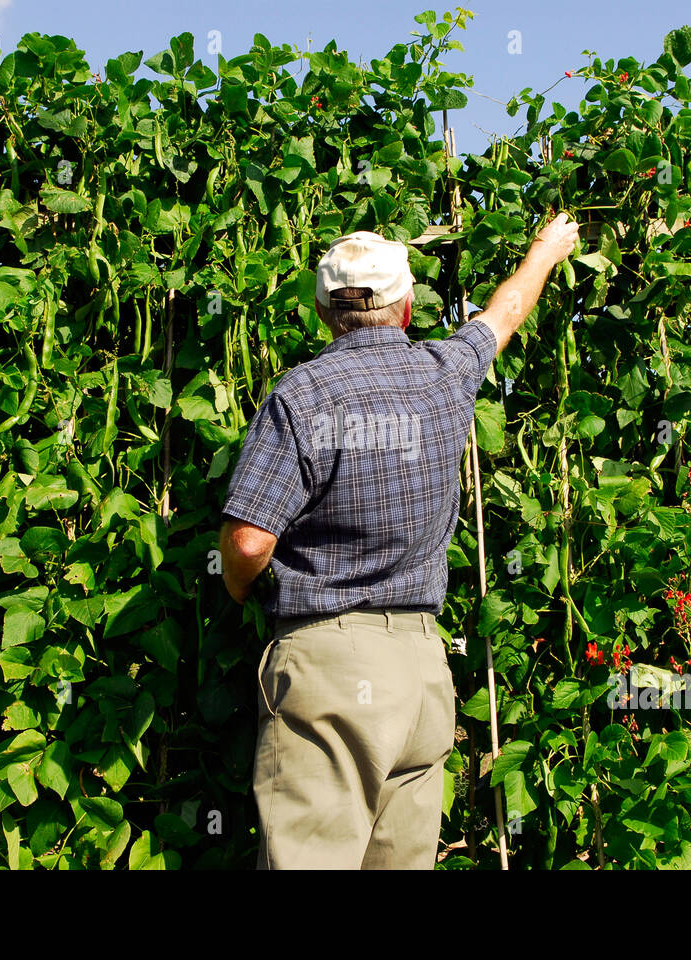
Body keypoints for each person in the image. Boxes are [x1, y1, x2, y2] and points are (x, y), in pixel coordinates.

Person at [218, 213, 581, 869]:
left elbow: (247, 543)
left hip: (329, 668)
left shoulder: (304, 394)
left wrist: (241, 591)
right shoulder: (447, 372)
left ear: (325, 310)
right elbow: (506, 311)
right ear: (407, 305)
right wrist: (547, 249)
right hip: (420, 673)